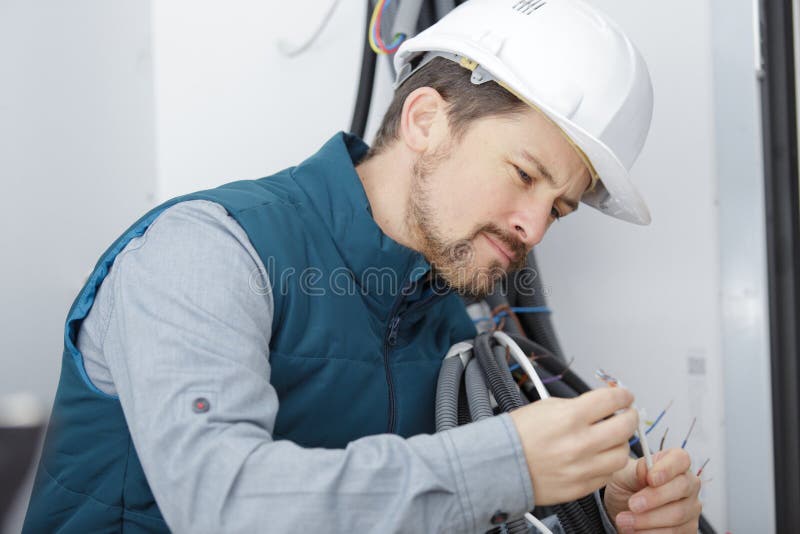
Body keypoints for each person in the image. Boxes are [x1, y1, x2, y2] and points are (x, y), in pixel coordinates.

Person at [24, 0, 702, 532]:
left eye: (559, 208)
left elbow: (431, 505)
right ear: (425, 119)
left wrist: (600, 510)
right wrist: (513, 463)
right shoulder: (206, 251)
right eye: (524, 174)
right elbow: (223, 503)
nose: (534, 225)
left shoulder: (451, 325)